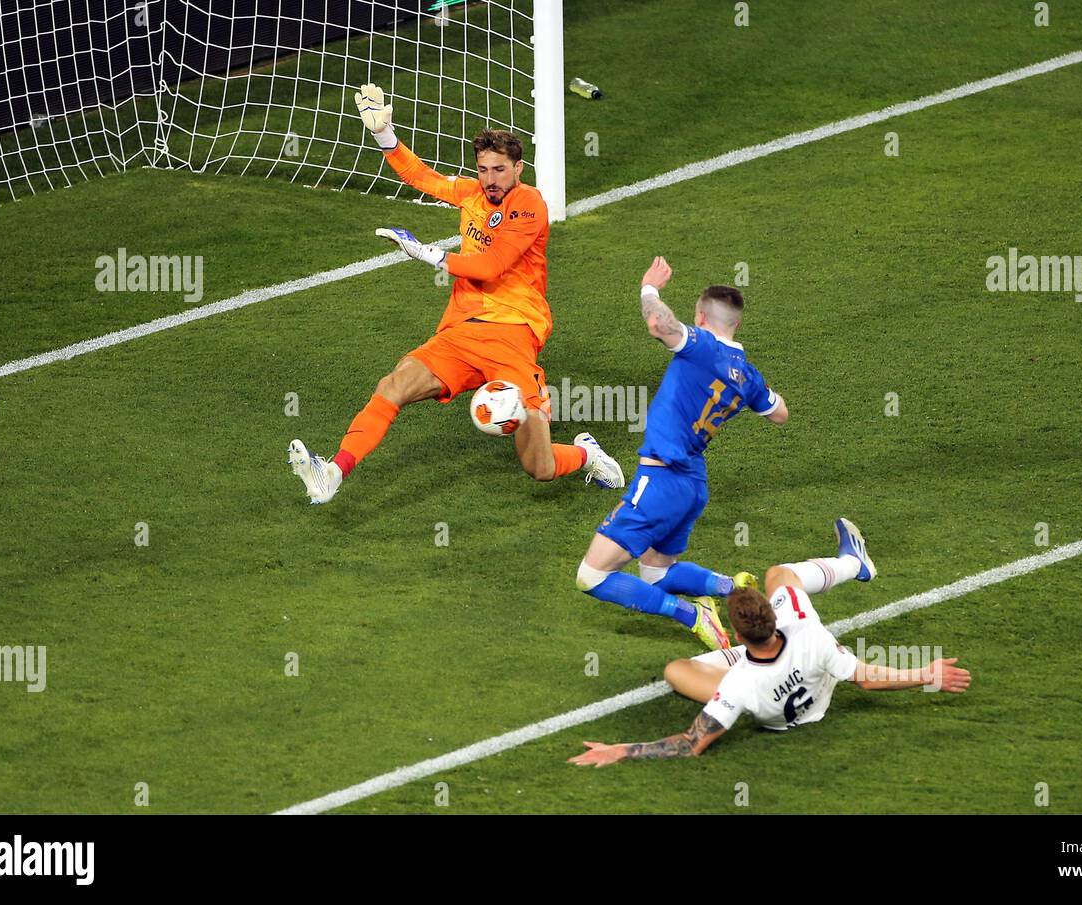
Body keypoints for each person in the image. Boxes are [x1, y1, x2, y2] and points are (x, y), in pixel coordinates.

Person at [288, 84, 623, 504]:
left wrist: (426, 253)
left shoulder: (529, 205)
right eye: (483, 170)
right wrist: (383, 134)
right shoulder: (471, 193)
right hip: (461, 333)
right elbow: (421, 177)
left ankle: (587, 454)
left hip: (513, 334)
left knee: (540, 467)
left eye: (499, 170)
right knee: (394, 384)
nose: (490, 179)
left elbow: (491, 266)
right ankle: (333, 472)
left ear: (519, 168)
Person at [569, 519, 972, 765]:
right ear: (772, 615)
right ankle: (854, 564)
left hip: (772, 706)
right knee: (780, 573)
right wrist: (927, 673)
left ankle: (853, 565)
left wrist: (622, 750)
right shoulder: (806, 630)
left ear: (741, 636)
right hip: (817, 693)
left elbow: (689, 744)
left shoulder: (738, 686)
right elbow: (865, 678)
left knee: (676, 669)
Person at [575, 256, 787, 650]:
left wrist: (649, 288)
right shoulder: (748, 375)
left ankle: (692, 614)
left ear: (701, 317)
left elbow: (659, 324)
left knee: (592, 575)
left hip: (659, 481)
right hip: (692, 483)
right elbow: (779, 413)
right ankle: (728, 586)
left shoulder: (701, 346)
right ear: (736, 323)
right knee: (655, 571)